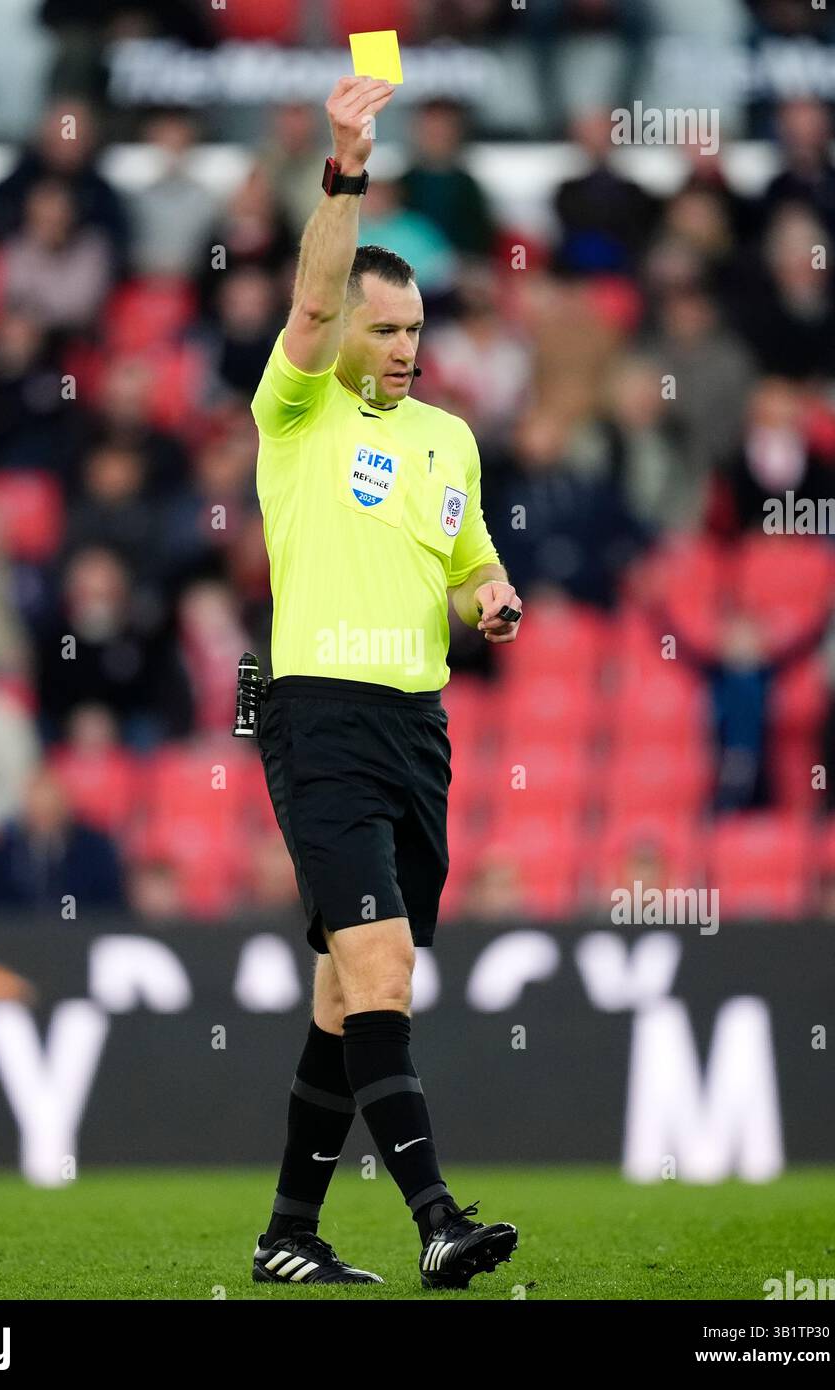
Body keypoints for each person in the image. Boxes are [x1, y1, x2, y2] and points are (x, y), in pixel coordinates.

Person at [247, 75, 522, 1291]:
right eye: (384, 331)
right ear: (342, 333)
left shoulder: (448, 439)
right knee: (381, 973)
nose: (403, 350)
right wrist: (346, 168)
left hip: (418, 726)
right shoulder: (298, 411)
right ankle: (434, 1220)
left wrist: (490, 599)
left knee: (342, 993)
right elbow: (310, 295)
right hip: (315, 711)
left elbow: (468, 560)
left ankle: (286, 1236)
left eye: (415, 331)